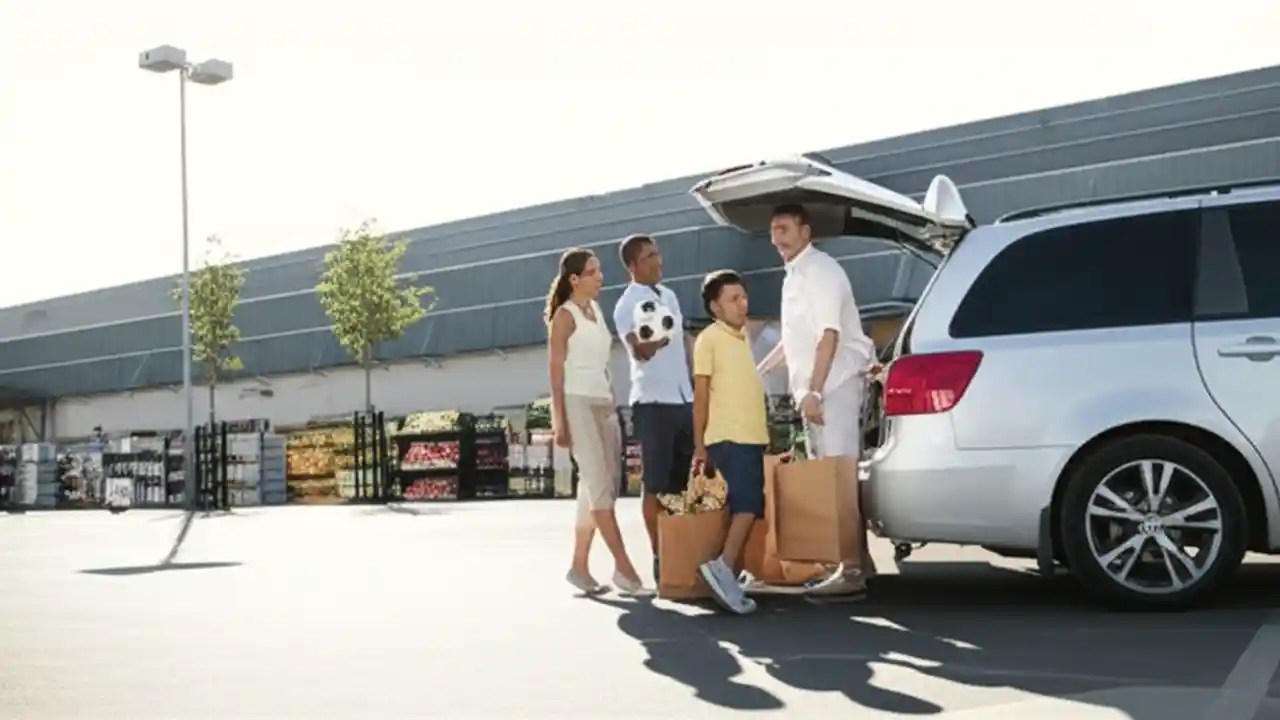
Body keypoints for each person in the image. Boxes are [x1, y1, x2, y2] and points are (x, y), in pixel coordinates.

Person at [756, 204, 881, 602]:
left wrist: (813, 390)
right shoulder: (793, 275)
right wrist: (757, 372)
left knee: (838, 474)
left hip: (835, 383)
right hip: (815, 387)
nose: (777, 237)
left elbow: (828, 335)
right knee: (832, 474)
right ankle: (857, 558)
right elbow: (793, 339)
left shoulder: (822, 271)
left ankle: (852, 570)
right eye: (773, 230)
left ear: (805, 231)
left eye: (785, 228)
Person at [546, 247, 650, 597]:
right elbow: (555, 373)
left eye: (600, 270)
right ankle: (625, 569)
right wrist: (560, 421)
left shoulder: (596, 311)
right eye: (593, 272)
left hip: (603, 403)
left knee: (596, 488)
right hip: (576, 404)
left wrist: (610, 398)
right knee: (600, 487)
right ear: (574, 279)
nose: (600, 277)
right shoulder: (565, 315)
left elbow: (602, 362)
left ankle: (579, 567)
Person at [612, 234, 695, 583]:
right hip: (652, 403)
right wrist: (659, 335)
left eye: (658, 253)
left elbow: (684, 345)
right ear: (633, 266)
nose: (658, 261)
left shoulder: (670, 296)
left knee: (684, 484)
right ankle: (660, 556)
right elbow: (640, 352)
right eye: (649, 257)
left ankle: (683, 552)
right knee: (656, 485)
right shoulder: (625, 306)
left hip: (683, 399)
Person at [691, 270, 767, 615]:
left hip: (749, 437)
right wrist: (699, 445)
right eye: (733, 299)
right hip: (730, 436)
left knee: (746, 506)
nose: (742, 304)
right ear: (715, 307)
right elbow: (701, 396)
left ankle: (730, 572)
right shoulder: (709, 339)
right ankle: (723, 566)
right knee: (747, 507)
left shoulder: (741, 339)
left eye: (744, 297)